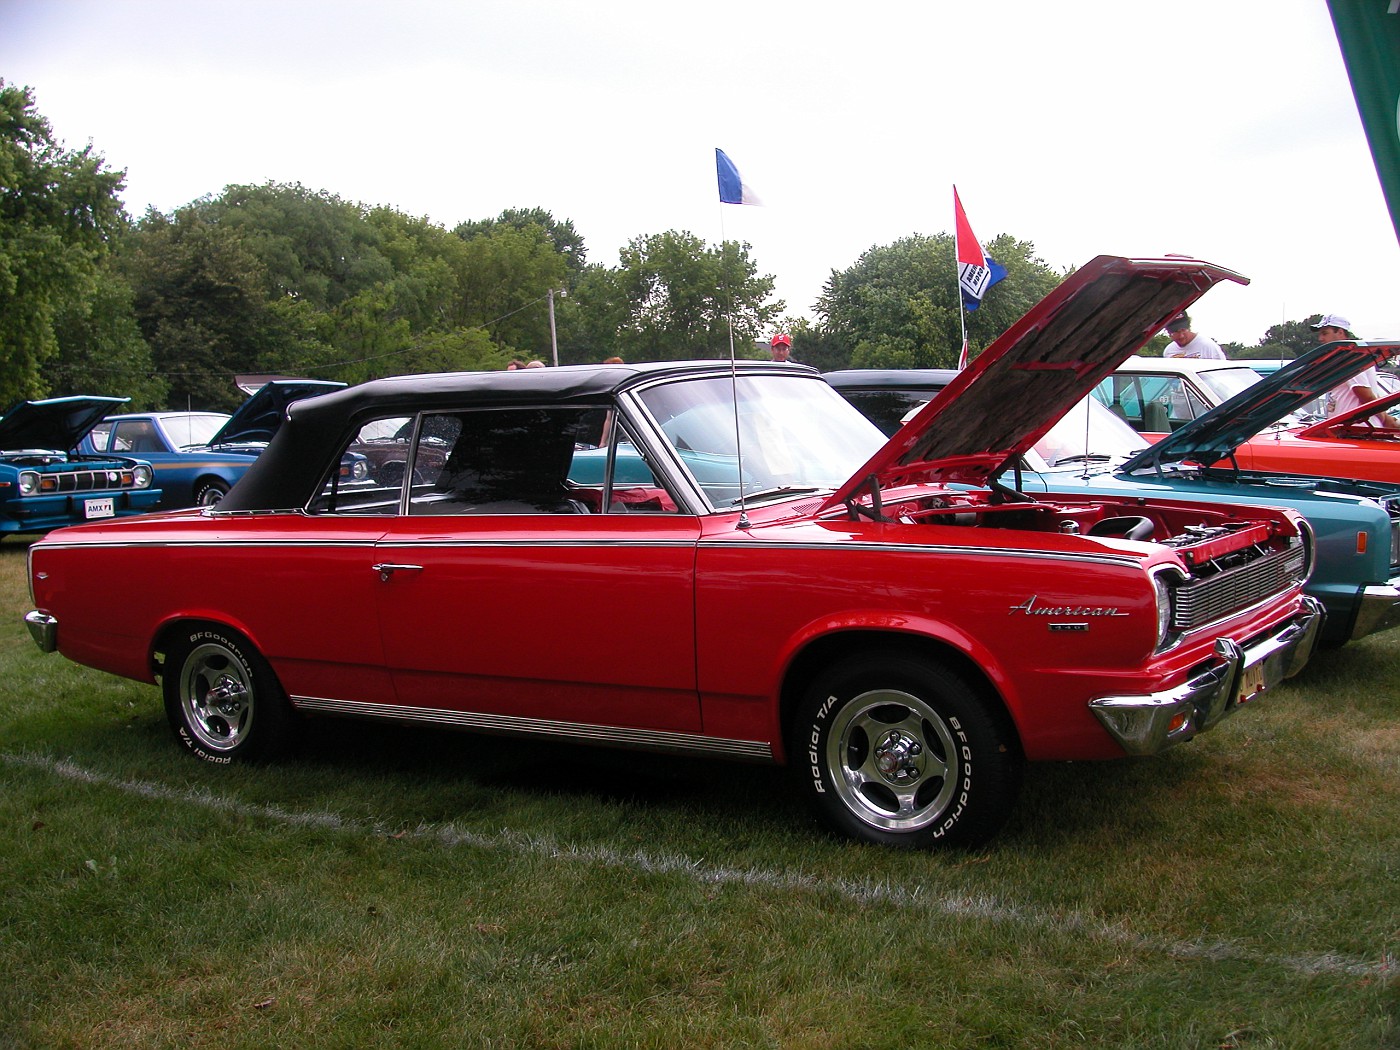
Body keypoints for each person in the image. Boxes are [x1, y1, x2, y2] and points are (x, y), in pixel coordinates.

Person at [1315, 314, 1396, 425]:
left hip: (1357, 429)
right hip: (1351, 428)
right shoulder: (1351, 356)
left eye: (1325, 333)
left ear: (1340, 332)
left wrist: (1385, 420)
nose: (1320, 338)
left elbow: (1363, 392)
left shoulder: (1349, 357)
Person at [1162, 314, 1226, 359]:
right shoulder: (1169, 351)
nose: (1181, 336)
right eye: (1175, 332)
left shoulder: (1208, 346)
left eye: (1183, 330)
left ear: (1189, 328)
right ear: (1169, 333)